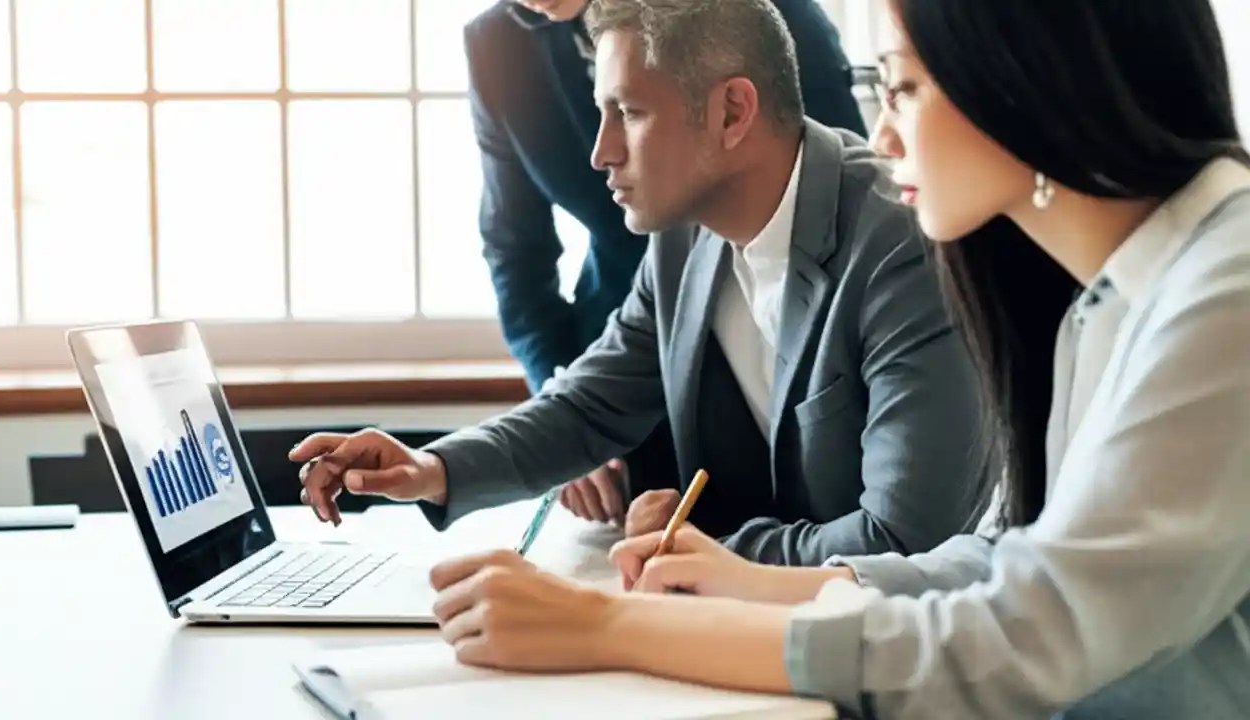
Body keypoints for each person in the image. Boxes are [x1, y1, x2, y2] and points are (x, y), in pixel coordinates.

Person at [423, 1, 1250, 718]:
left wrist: (604, 624)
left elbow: (1027, 633)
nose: (882, 134)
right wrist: (744, 581)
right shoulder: (1112, 297)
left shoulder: (1228, 288)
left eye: (903, 87)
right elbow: (1008, 558)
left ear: (1029, 80)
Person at [293, 0, 986, 567]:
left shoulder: (904, 247)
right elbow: (589, 407)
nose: (601, 151)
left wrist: (705, 547)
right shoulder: (682, 239)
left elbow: (903, 545)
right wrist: (430, 468)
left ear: (733, 112)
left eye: (628, 112)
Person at [470, 0, 868, 524]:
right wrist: (568, 417)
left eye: (629, 114)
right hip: (625, 365)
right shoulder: (498, 43)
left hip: (794, 349)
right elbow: (514, 250)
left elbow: (844, 201)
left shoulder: (751, 19)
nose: (603, 151)